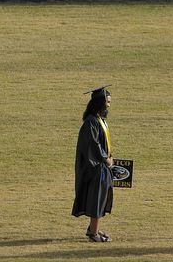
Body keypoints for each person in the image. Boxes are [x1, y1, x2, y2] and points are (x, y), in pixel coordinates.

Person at [73, 85, 114, 242]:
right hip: (95, 167)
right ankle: (94, 234)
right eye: (107, 102)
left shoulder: (99, 120)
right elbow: (93, 145)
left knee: (101, 198)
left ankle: (93, 228)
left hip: (101, 166)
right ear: (99, 103)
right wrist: (105, 158)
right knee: (96, 199)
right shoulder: (91, 122)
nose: (109, 105)